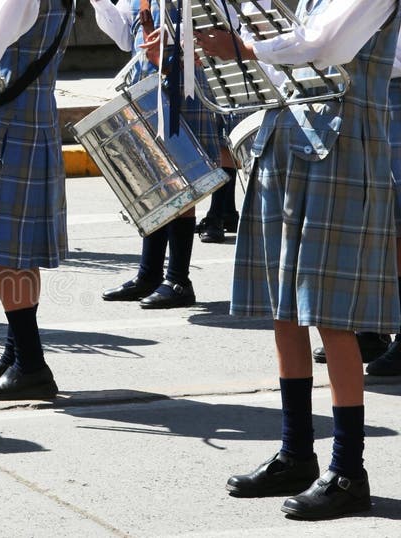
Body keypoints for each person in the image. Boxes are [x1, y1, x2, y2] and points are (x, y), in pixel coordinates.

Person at [197, 0, 399, 520]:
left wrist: (243, 44)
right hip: (285, 141)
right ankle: (295, 453)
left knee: (333, 319)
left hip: (344, 151)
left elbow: (327, 45)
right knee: (283, 310)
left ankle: (348, 470)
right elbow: (277, 63)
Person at [0, 0, 70, 400]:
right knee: (15, 252)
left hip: (11, 127)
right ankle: (17, 353)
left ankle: (32, 364)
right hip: (25, 121)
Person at [92, 0, 235, 309]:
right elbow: (124, 38)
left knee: (182, 181)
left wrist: (185, 41)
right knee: (155, 182)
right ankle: (150, 275)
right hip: (147, 87)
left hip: (184, 86)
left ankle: (178, 280)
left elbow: (229, 25)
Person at [360, 30, 401, 377]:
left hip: (393, 86)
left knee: (397, 223)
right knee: (373, 217)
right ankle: (371, 327)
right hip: (370, 87)